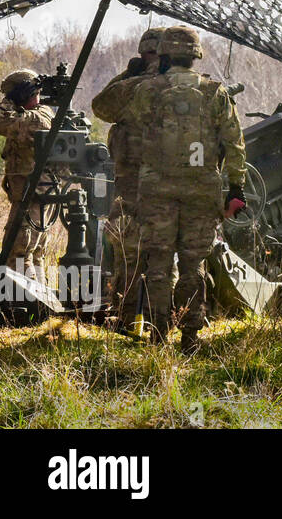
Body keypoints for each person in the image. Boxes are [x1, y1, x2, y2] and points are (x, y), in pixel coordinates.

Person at [100, 26, 246, 354]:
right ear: (196, 55)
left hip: (157, 191)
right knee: (194, 265)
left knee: (158, 263)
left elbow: (115, 114)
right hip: (201, 191)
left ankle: (157, 334)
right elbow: (234, 144)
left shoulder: (148, 90)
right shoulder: (214, 93)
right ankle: (192, 336)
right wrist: (237, 188)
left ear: (164, 54)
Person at [91, 27, 165, 324]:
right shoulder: (184, 85)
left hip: (135, 180)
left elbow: (101, 106)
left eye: (147, 54)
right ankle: (160, 317)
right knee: (161, 249)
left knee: (127, 248)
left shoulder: (137, 86)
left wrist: (127, 76)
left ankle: (128, 317)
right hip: (165, 179)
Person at [0, 69, 55, 283]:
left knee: (18, 254)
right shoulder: (27, 116)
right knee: (31, 255)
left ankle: (20, 308)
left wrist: (10, 101)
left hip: (33, 198)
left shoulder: (38, 117)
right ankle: (39, 307)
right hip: (28, 196)